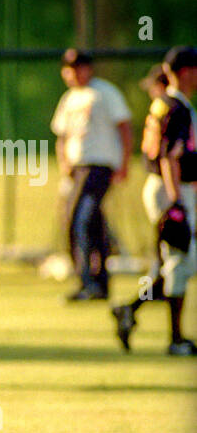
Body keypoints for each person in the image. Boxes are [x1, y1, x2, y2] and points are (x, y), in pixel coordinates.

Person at [112, 46, 197, 356]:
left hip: (165, 187)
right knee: (180, 262)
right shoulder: (178, 107)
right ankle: (175, 339)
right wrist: (177, 202)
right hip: (170, 189)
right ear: (187, 71)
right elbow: (170, 157)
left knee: (179, 262)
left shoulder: (165, 104)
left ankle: (130, 309)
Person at [51, 48, 133, 301]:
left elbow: (124, 127)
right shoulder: (69, 99)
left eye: (79, 68)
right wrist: (63, 162)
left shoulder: (104, 93)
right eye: (69, 69)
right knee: (93, 223)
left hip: (99, 167)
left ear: (89, 69)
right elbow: (62, 136)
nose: (74, 74)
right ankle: (99, 284)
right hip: (77, 169)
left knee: (79, 220)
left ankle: (88, 281)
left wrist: (124, 163)